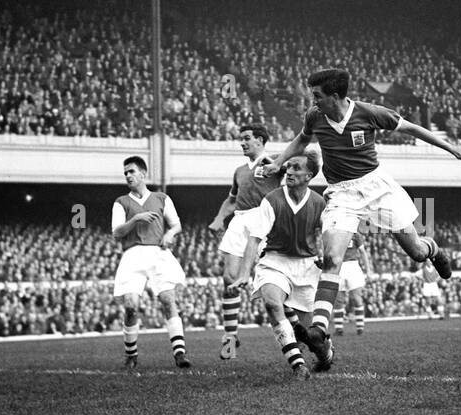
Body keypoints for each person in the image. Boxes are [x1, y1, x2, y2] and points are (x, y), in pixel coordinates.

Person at [263, 67, 461, 368]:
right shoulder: (315, 117)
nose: (312, 102)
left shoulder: (370, 113)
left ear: (336, 96)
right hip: (341, 194)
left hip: (377, 188)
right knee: (332, 259)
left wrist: (452, 149)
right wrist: (278, 162)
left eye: (317, 96)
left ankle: (433, 249)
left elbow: (412, 129)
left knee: (416, 252)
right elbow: (301, 140)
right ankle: (319, 330)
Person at [234, 153, 325, 379]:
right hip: (274, 262)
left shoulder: (318, 202)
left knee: (309, 336)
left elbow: (321, 233)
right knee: (273, 304)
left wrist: (323, 254)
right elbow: (254, 239)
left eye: (296, 168)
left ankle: (326, 354)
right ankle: (298, 366)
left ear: (309, 176)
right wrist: (244, 274)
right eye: (289, 167)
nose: (289, 171)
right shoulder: (272, 199)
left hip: (306, 267)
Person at [207, 123, 282, 360]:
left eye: (247, 138)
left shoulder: (273, 163)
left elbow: (301, 168)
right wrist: (219, 218)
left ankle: (292, 334)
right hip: (239, 221)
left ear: (260, 140)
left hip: (263, 222)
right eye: (241, 139)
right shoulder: (239, 170)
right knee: (229, 278)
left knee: (271, 284)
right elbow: (231, 200)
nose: (242, 142)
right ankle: (230, 336)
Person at [111, 155, 190, 371]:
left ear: (143, 174)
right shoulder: (121, 202)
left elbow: (176, 225)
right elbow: (117, 233)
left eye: (132, 171)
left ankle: (179, 353)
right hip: (132, 254)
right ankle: (131, 353)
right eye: (125, 172)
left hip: (158, 251)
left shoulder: (162, 198)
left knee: (167, 298)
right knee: (130, 306)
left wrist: (170, 235)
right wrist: (136, 219)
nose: (128, 175)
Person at [333, 231, 372, 337]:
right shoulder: (334, 233)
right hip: (338, 265)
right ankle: (339, 329)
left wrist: (368, 269)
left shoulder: (355, 234)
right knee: (338, 299)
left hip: (352, 265)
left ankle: (360, 328)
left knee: (356, 298)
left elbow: (362, 252)